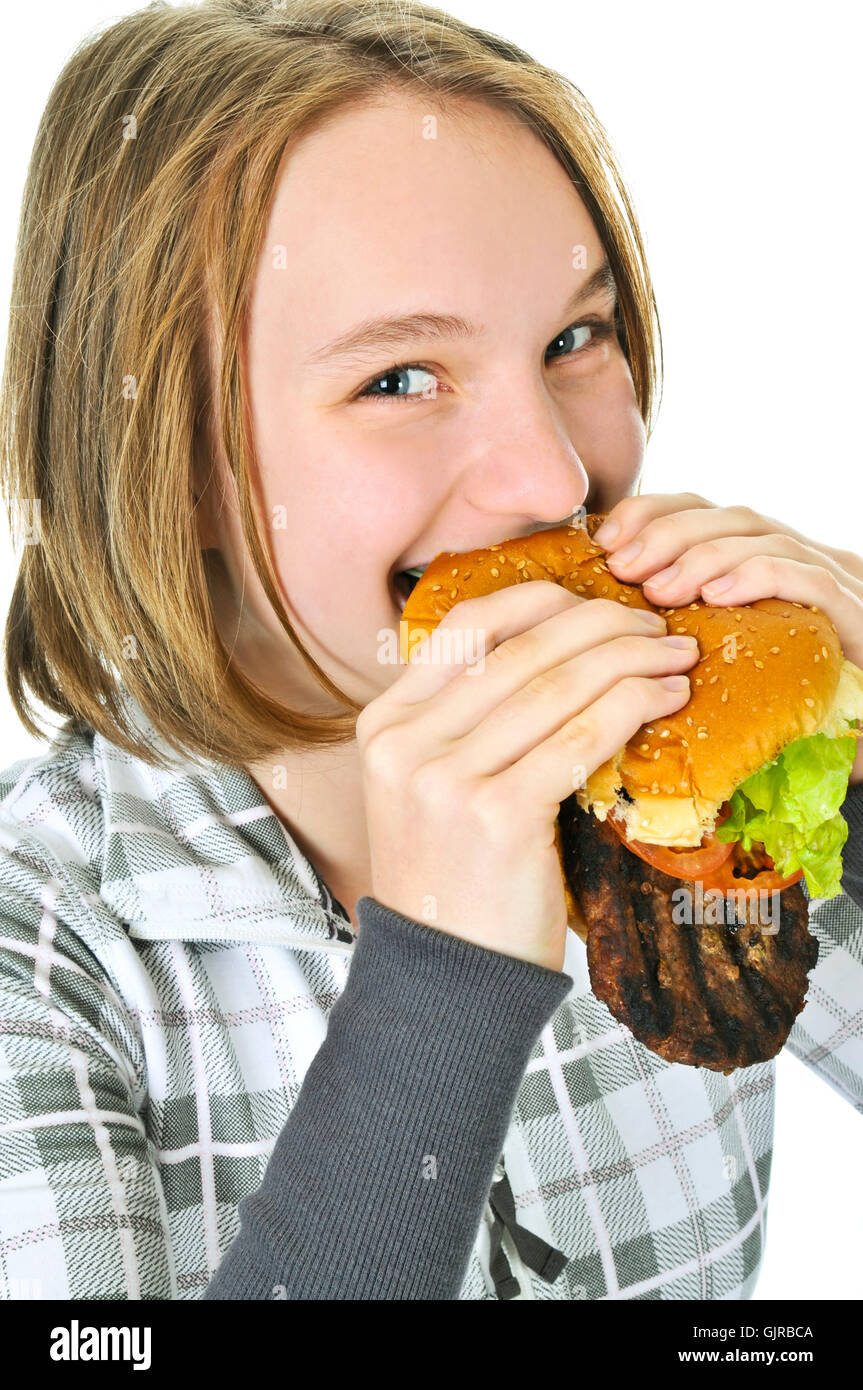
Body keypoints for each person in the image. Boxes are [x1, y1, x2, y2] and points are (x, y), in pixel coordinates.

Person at [0, 0, 861, 1302]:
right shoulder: (42, 951)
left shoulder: (691, 779)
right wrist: (441, 988)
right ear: (162, 467)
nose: (554, 476)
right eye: (399, 377)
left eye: (576, 338)